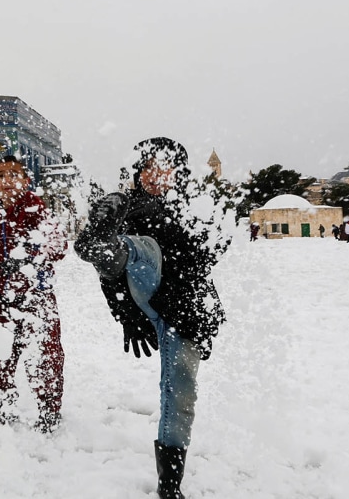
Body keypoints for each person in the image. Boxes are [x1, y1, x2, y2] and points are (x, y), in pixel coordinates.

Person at [73, 137, 228, 499]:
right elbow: (106, 276)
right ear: (139, 172)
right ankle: (109, 244)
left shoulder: (192, 211)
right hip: (140, 280)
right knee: (144, 247)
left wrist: (206, 321)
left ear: (178, 175)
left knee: (180, 392)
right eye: (148, 168)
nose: (155, 176)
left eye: (164, 170)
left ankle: (169, 484)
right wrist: (126, 314)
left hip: (179, 308)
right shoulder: (129, 204)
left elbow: (203, 268)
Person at [0, 155, 68, 432]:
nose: (7, 181)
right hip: (4, 302)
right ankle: (2, 406)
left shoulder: (38, 209)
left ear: (26, 180)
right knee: (0, 356)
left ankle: (49, 411)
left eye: (14, 174)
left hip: (38, 300)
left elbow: (58, 246)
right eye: (1, 175)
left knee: (45, 356)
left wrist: (29, 260)